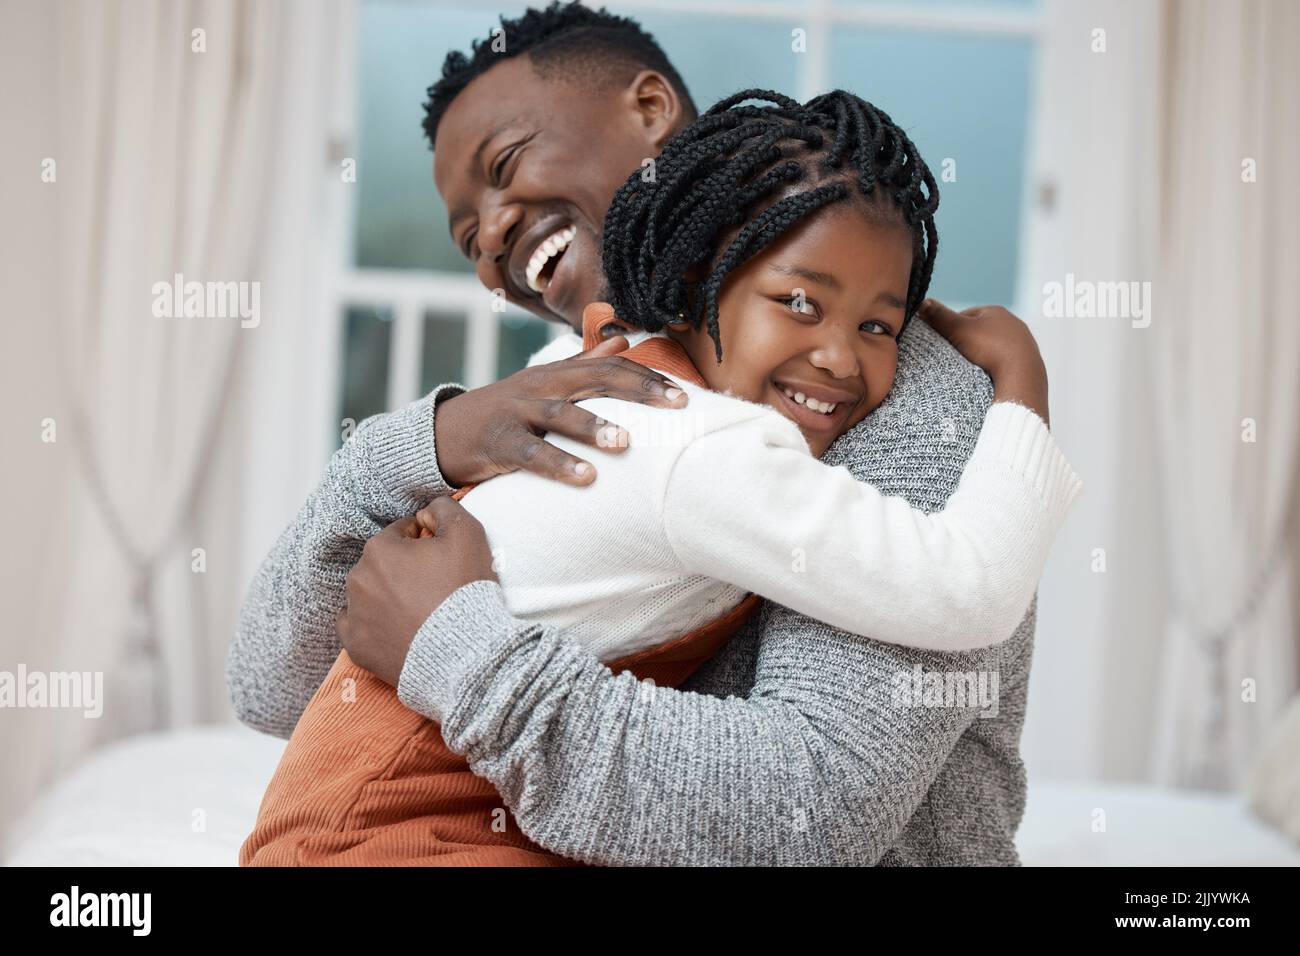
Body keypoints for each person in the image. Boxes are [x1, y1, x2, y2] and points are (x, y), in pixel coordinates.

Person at [227, 3, 1066, 864]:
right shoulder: (581, 385)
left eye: (506, 164)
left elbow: (817, 804)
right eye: (468, 235)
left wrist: (463, 650)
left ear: (651, 107)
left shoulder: (887, 392)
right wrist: (419, 445)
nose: (492, 237)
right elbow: (274, 688)